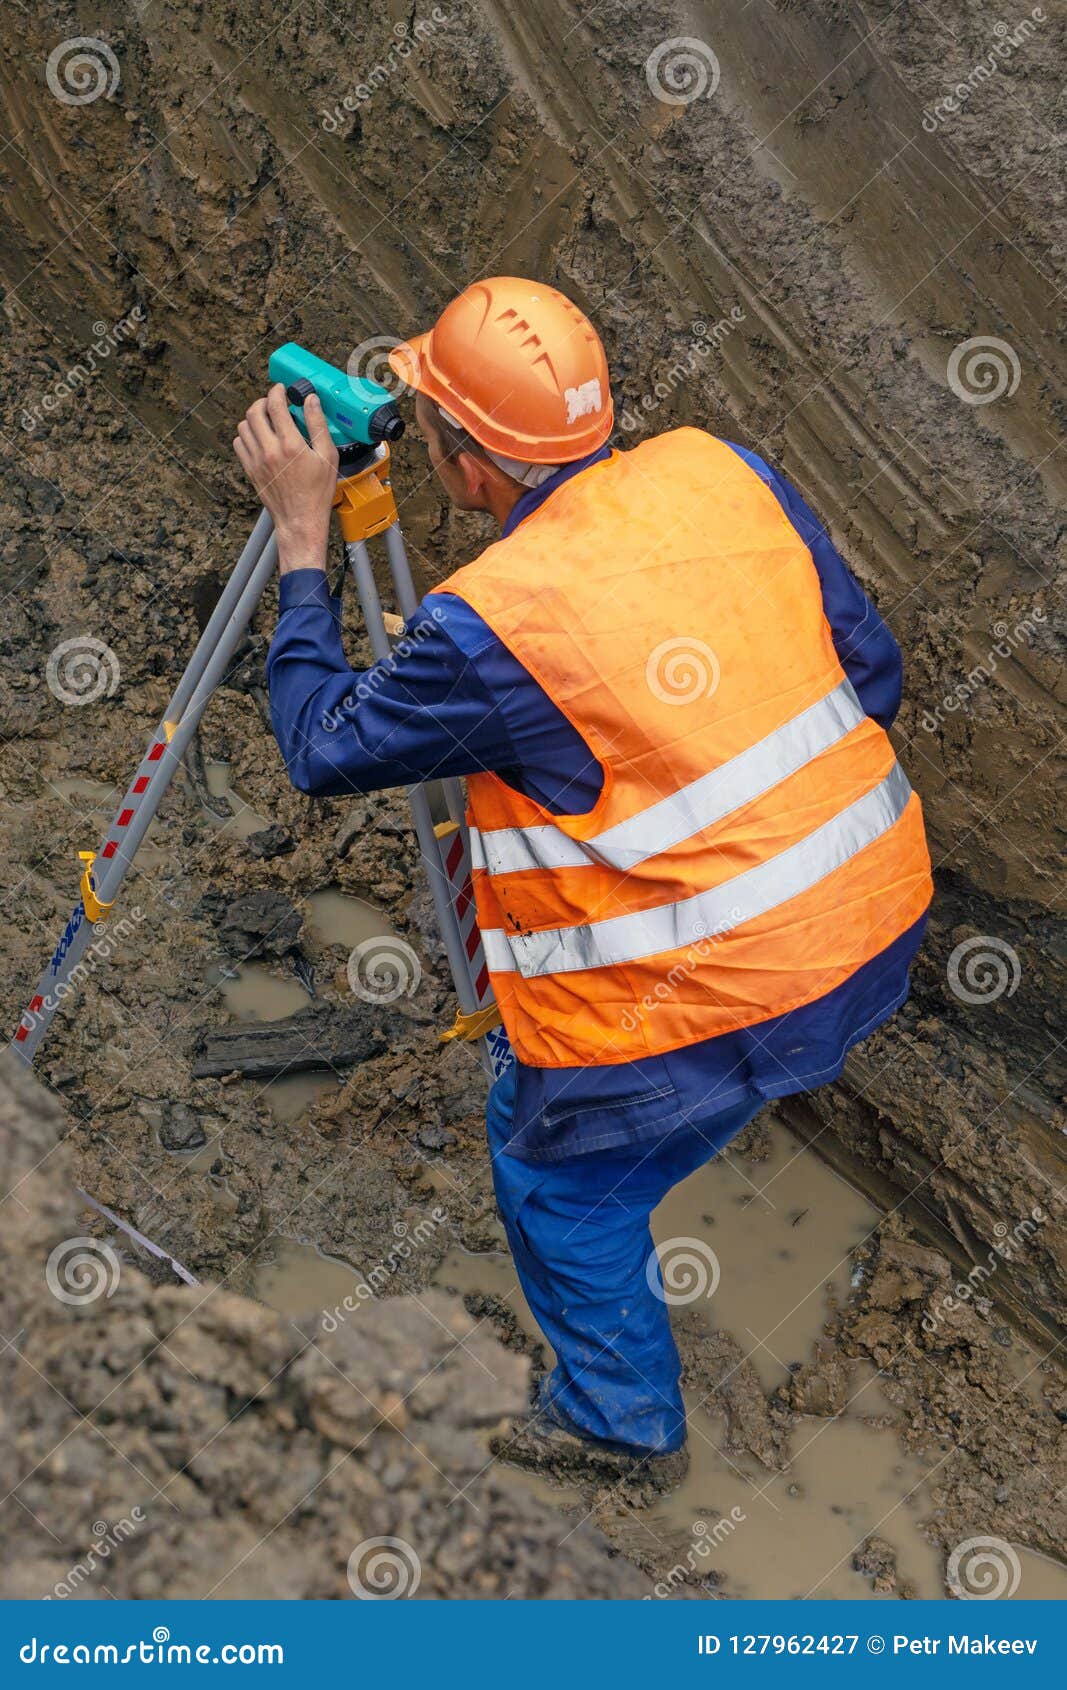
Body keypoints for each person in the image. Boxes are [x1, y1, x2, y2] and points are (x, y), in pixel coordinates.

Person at [233, 277, 932, 1484]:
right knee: (663, 1105)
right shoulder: (720, 471)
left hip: (720, 995)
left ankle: (618, 1420)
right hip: (879, 914)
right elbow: (872, 672)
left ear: (461, 462)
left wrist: (304, 542)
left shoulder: (491, 622)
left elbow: (322, 745)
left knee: (558, 1182)